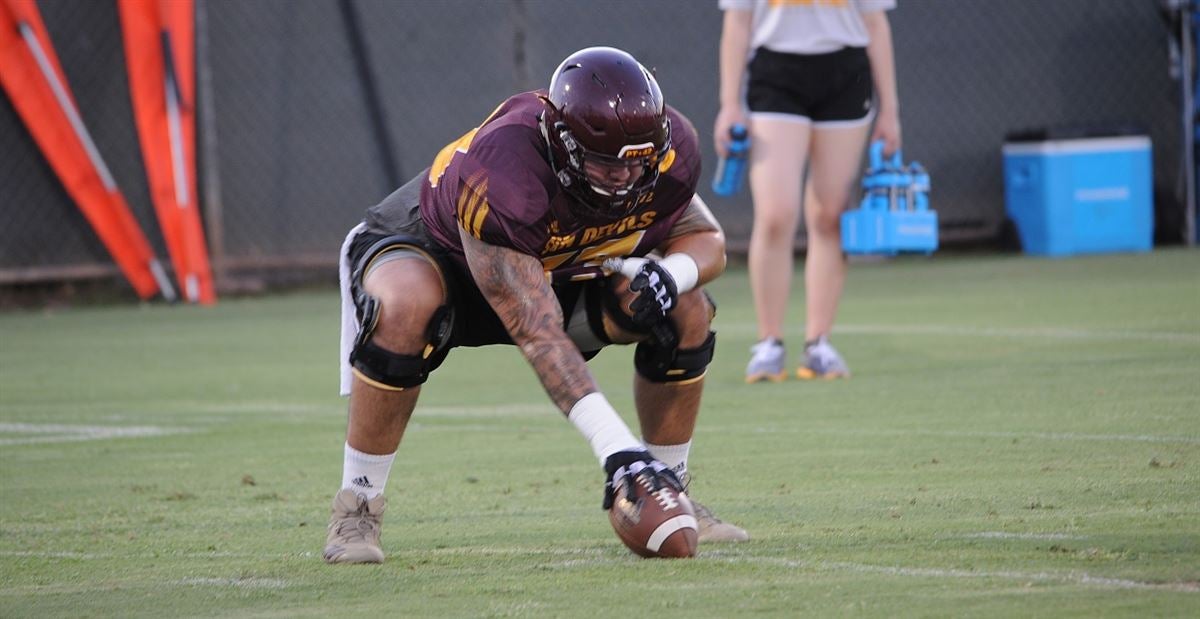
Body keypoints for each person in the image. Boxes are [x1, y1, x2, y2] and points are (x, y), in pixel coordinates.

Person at [324, 46, 749, 564]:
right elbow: (537, 331)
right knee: (406, 305)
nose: (623, 178)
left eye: (636, 163)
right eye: (603, 162)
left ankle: (668, 485)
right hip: (440, 256)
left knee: (688, 308)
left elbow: (706, 239)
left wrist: (671, 273)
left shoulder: (665, 153)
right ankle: (358, 505)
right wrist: (616, 450)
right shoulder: (507, 167)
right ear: (563, 143)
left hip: (555, 271)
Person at [715, 0, 902, 382]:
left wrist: (891, 111)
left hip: (846, 71)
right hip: (775, 71)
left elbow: (876, 24)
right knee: (776, 214)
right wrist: (729, 105)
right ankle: (769, 343)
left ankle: (819, 344)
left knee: (829, 214)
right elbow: (737, 22)